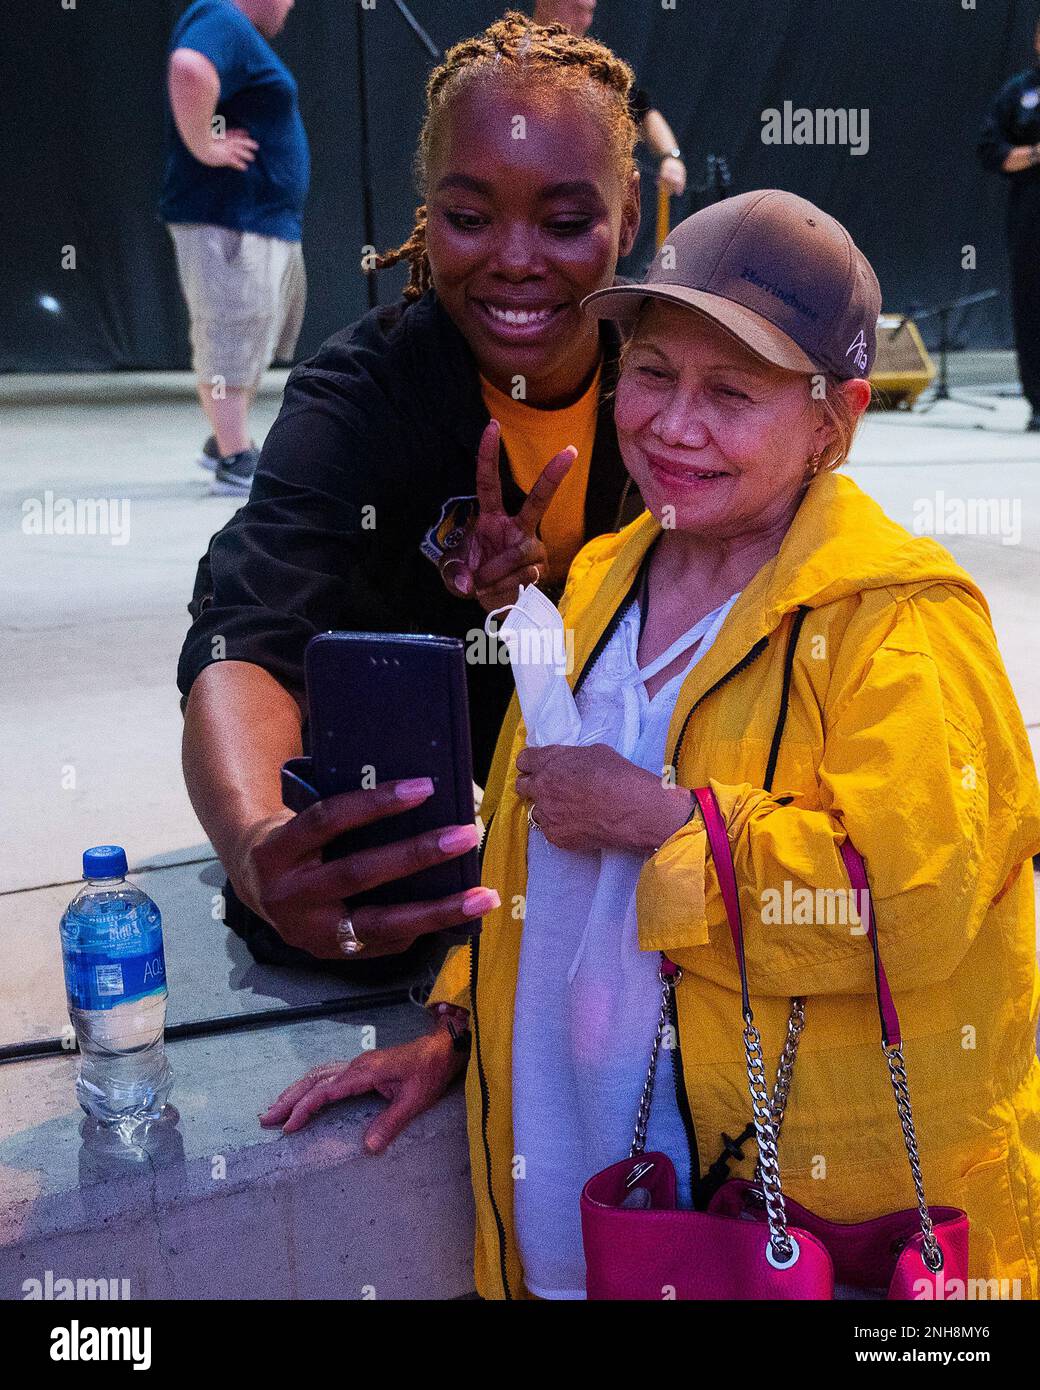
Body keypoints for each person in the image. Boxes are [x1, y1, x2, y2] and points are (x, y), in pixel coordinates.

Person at [264, 190, 1040, 1302]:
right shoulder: (599, 580)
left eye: (731, 392)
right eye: (651, 372)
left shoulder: (896, 624)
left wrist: (667, 823)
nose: (674, 425)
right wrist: (457, 1018)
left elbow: (909, 903)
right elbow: (538, 864)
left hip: (785, 1229)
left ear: (836, 416)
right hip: (581, 1191)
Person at [177, 14, 643, 975]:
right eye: (470, 219)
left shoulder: (671, 396)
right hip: (427, 829)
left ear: (627, 217)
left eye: (564, 222)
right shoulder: (360, 396)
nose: (515, 258)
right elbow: (244, 636)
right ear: (428, 217)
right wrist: (262, 843)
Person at [162, 0, 309, 493]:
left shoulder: (232, 29)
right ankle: (233, 457)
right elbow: (188, 67)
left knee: (247, 331)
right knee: (230, 330)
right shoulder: (223, 20)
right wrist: (205, 143)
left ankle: (224, 439)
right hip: (230, 220)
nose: (291, 3)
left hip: (252, 219)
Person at [532, 0, 687, 198]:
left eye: (589, 11)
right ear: (544, 3)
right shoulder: (507, 55)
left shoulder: (596, 67)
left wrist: (670, 157)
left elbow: (644, 111)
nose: (584, 21)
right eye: (576, 9)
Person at [978, 13, 1040, 432]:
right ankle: (1038, 400)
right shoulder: (1020, 90)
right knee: (1032, 304)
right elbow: (989, 148)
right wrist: (1034, 154)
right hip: (1031, 216)